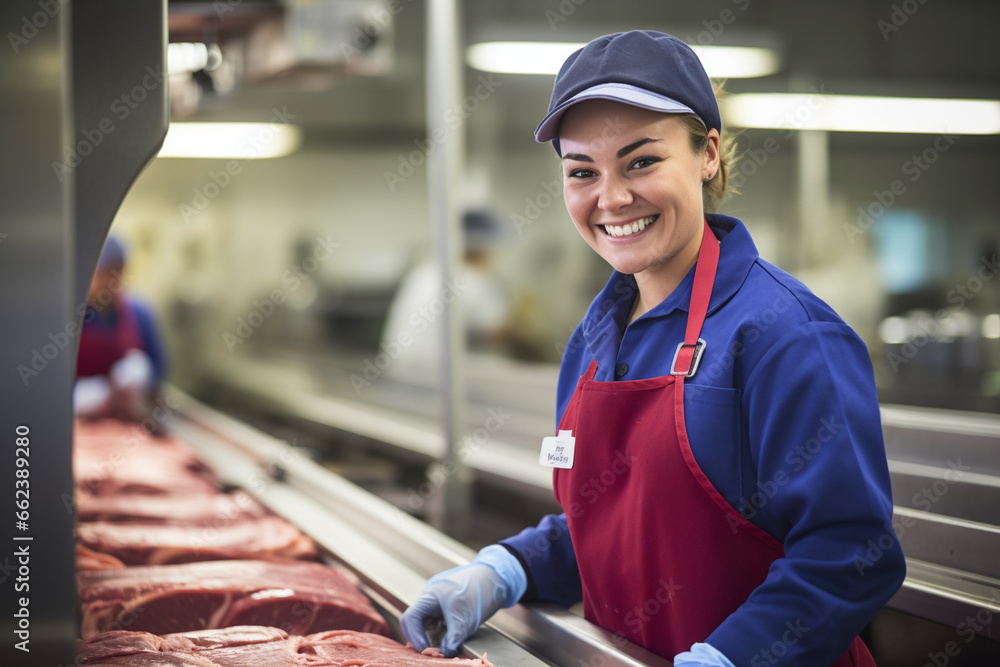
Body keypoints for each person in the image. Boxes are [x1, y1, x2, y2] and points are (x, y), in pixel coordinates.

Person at [400, 31, 905, 666]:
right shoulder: (596, 337)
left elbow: (852, 552)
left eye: (641, 161)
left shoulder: (786, 334)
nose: (611, 198)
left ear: (709, 154)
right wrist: (507, 569)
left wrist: (729, 657)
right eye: (583, 171)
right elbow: (617, 528)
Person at [75, 234, 167, 422]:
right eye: (104, 273)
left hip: (126, 419)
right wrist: (74, 395)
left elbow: (160, 366)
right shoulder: (71, 316)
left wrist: (144, 373)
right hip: (80, 421)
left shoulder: (140, 313)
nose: (110, 281)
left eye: (117, 271)